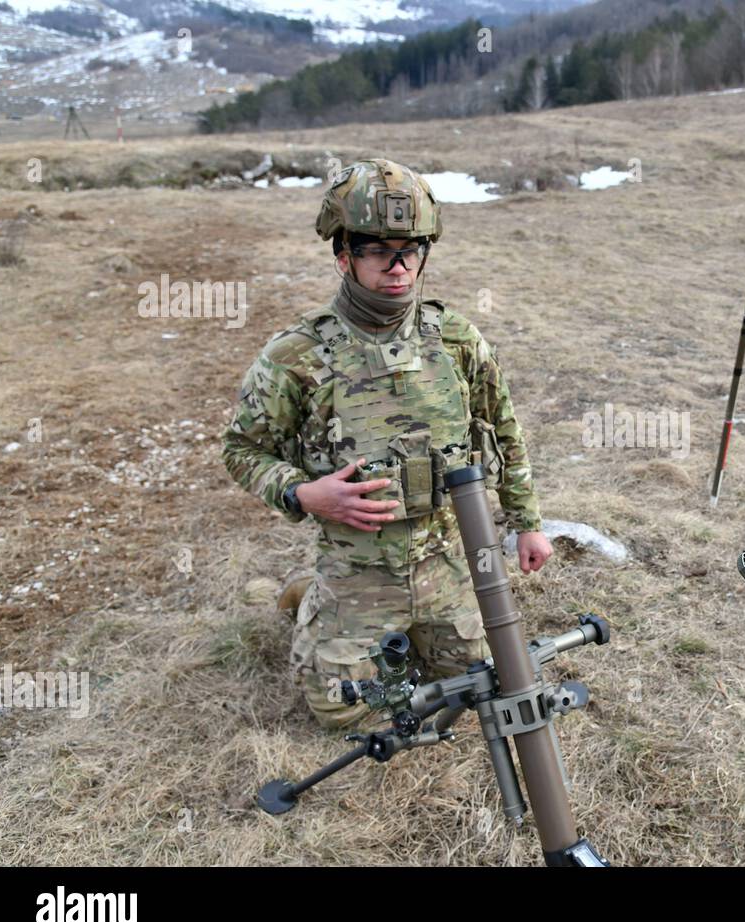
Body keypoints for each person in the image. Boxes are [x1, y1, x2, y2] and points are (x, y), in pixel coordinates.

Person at [222, 158, 553, 729]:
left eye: (412, 249)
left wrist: (528, 522)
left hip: (447, 559)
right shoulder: (295, 354)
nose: (399, 267)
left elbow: (502, 427)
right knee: (344, 713)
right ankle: (313, 599)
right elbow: (242, 450)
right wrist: (304, 494)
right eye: (379, 251)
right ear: (344, 254)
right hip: (359, 566)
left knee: (473, 688)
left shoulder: (454, 338)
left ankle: (409, 626)